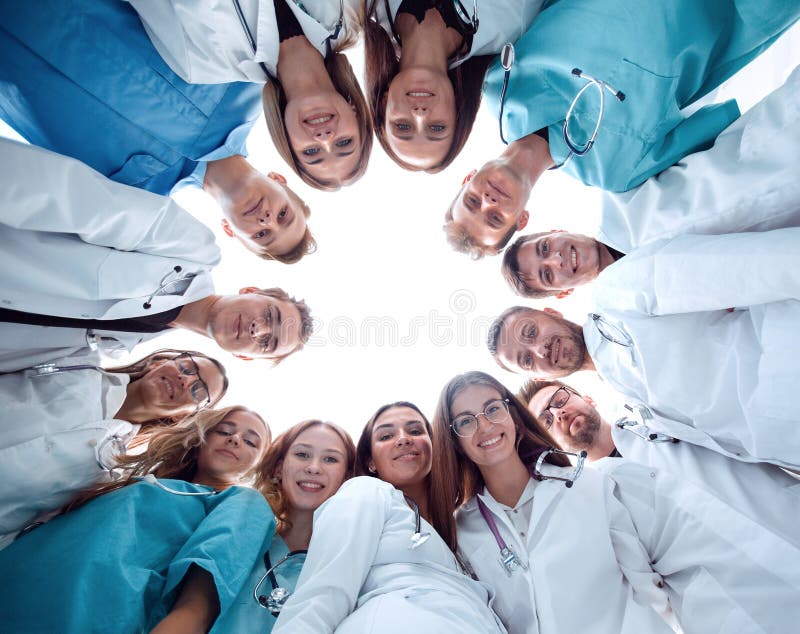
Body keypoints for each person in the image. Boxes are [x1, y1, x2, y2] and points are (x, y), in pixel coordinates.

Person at [445, 5, 800, 258]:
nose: (489, 201)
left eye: (472, 201)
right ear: (521, 220)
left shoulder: (498, 82)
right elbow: (715, 124)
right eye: (494, 218)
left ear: (467, 179)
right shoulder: (615, 172)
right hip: (731, 12)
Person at [0, 0, 315, 262]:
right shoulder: (242, 87)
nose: (266, 220)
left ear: (230, 232)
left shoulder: (134, 193)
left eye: (262, 235)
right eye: (283, 214)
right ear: (280, 180)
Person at [488, 227, 800, 469]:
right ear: (539, 376)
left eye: (530, 332)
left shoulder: (616, 291)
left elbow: (745, 267)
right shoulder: (624, 408)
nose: (540, 350)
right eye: (527, 360)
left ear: (551, 313)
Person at [0, 140, 313, 371]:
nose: (259, 329)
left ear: (244, 356)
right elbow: (74, 200)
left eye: (267, 342)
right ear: (251, 291)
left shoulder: (127, 345)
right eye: (269, 315)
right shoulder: (191, 248)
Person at [432, 371, 673, 633]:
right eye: (466, 421)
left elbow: (648, 589)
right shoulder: (462, 531)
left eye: (492, 409)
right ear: (455, 441)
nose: (486, 426)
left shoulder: (586, 484)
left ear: (513, 417)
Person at [0, 405, 273, 633]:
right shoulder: (129, 482)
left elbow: (198, 608)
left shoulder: (239, 502)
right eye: (224, 430)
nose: (234, 439)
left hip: (87, 619)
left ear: (257, 464)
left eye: (250, 441)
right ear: (200, 436)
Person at [272, 401, 506, 633]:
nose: (403, 439)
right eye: (386, 436)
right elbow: (321, 595)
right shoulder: (364, 492)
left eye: (415, 431)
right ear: (370, 462)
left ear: (435, 448)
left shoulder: (464, 528)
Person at [520, 379, 800, 552]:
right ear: (549, 442)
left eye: (560, 400)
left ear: (587, 398)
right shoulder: (598, 505)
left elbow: (754, 437)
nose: (559, 413)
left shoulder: (660, 415)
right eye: (546, 420)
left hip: (785, 515)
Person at [128, 0, 371, 191]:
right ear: (356, 112)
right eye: (344, 143)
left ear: (287, 139)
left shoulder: (203, 62)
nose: (325, 138)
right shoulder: (352, 15)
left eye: (310, 152)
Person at [0, 348, 228, 545]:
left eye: (198, 391)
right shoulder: (77, 363)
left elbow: (35, 519)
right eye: (187, 368)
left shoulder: (111, 472)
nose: (185, 380)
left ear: (184, 416)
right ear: (159, 363)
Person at [364, 0, 544, 172]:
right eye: (437, 128)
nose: (420, 114)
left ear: (383, 104)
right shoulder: (510, 22)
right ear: (457, 107)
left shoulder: (361, 8)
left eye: (402, 126)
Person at [213, 419, 356, 633]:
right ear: (279, 468)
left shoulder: (349, 564)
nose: (314, 468)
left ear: (347, 479)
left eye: (330, 459)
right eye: (302, 454)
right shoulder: (240, 534)